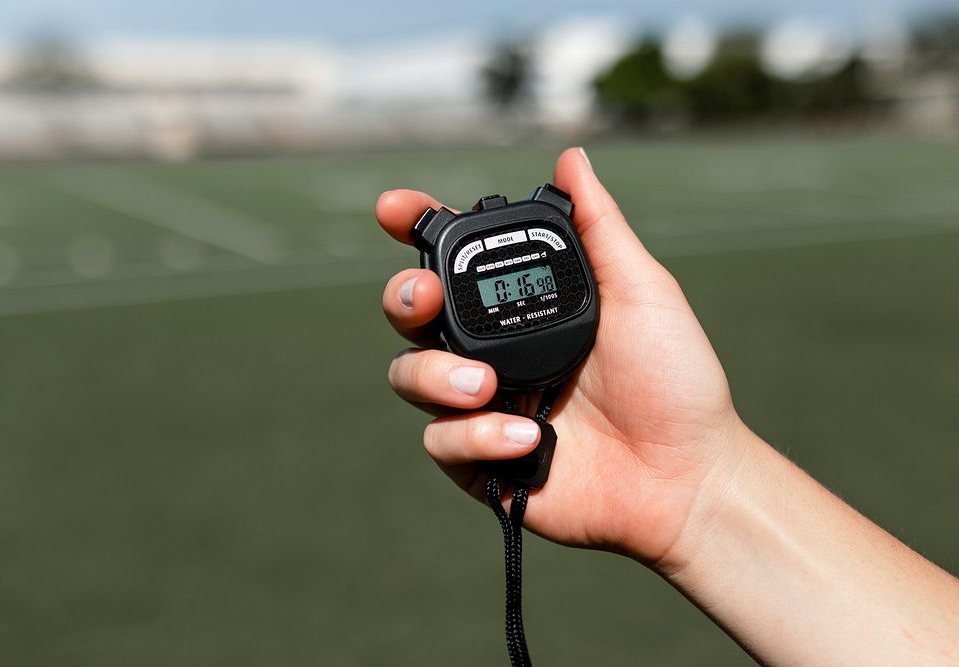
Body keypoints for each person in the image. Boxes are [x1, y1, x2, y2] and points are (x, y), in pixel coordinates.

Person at [375, 147, 959, 665]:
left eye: (519, 288)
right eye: (505, 291)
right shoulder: (549, 226)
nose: (515, 295)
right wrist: (692, 485)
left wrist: (693, 479)